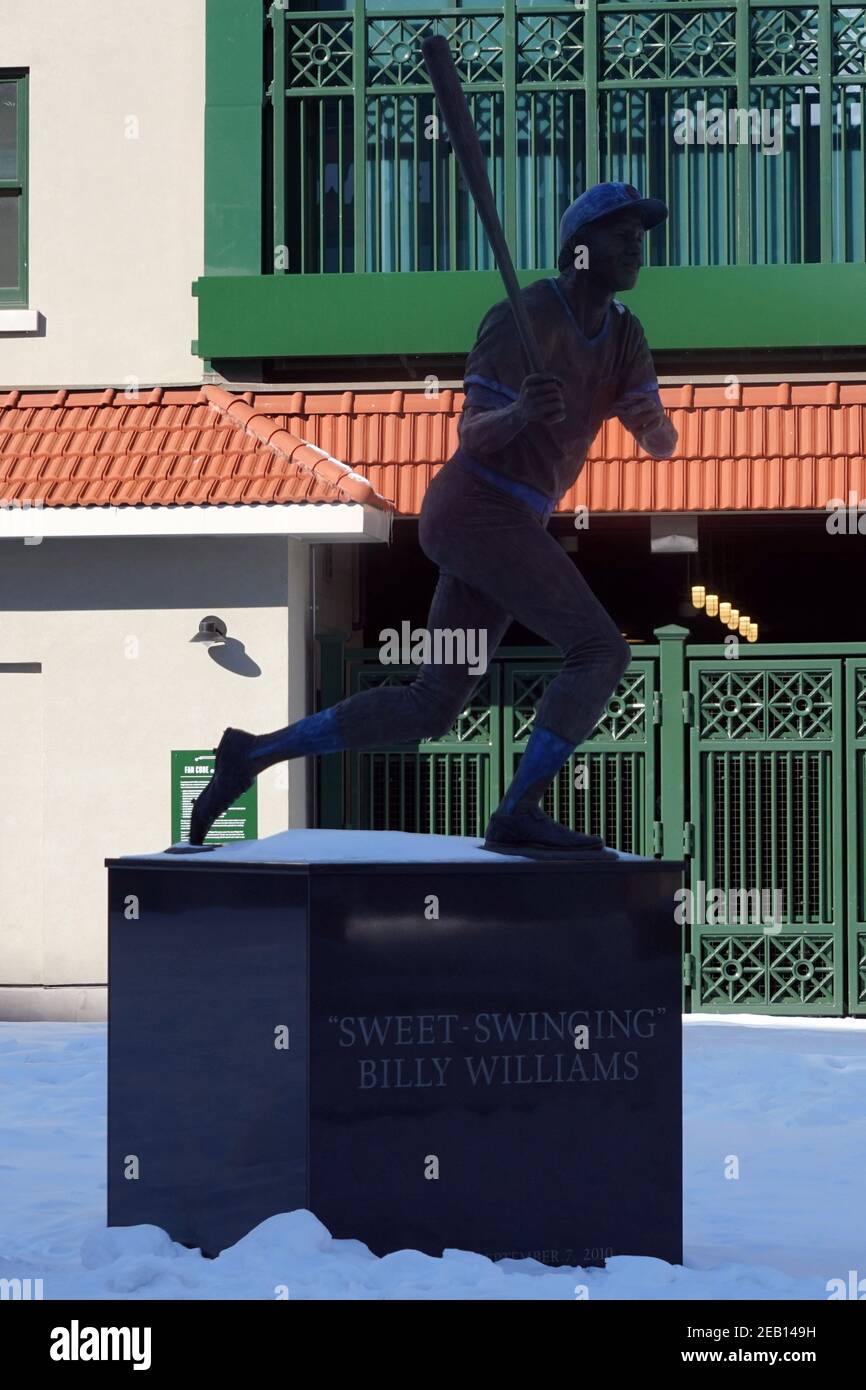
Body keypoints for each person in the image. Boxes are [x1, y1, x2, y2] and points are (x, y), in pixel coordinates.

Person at [189, 182, 678, 857]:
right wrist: (523, 413)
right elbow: (475, 434)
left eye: (640, 232)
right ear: (579, 250)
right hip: (475, 506)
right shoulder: (522, 317)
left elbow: (657, 436)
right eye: (620, 230)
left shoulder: (625, 334)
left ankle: (253, 752)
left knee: (432, 703)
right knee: (602, 648)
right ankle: (518, 810)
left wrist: (653, 426)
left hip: (514, 521)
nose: (635, 243)